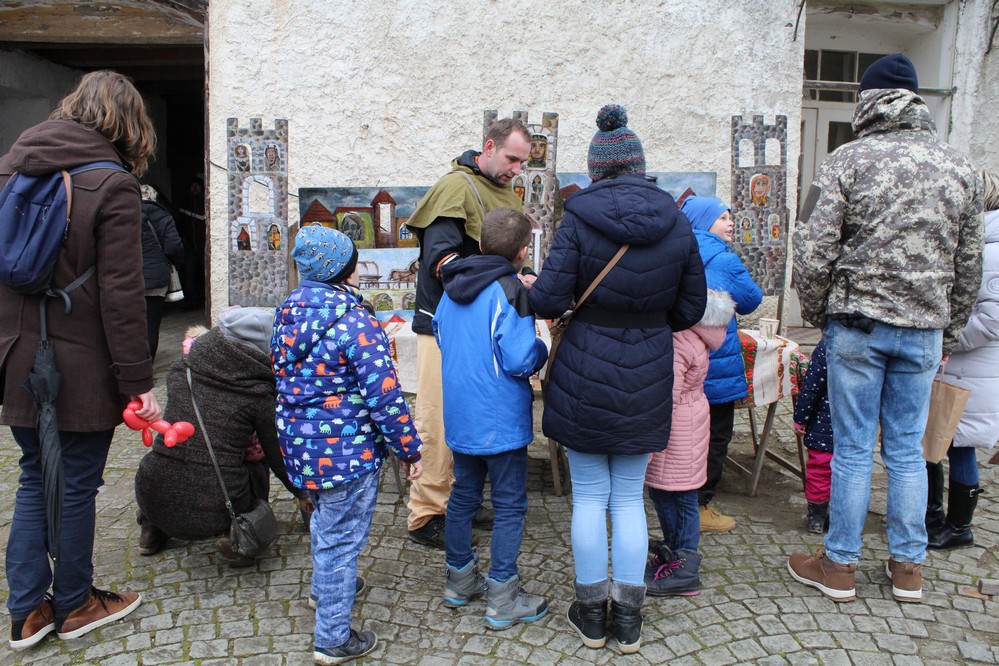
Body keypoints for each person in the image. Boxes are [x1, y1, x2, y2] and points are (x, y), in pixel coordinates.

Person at [789, 53, 983, 604]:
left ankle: (841, 564)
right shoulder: (959, 168)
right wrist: (948, 332)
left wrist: (820, 312)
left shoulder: (846, 160)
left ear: (867, 102)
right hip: (922, 330)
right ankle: (908, 568)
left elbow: (813, 248)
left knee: (852, 448)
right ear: (917, 100)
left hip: (858, 324)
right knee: (906, 449)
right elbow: (969, 266)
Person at [529, 104, 706, 653]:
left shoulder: (579, 218)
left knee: (589, 496)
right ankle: (628, 620)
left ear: (596, 168)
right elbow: (692, 306)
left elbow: (550, 298)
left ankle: (590, 613)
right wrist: (647, 324)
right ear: (640, 166)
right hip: (650, 364)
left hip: (586, 363)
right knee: (629, 497)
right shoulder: (676, 219)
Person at [0, 70, 160, 649]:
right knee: (74, 485)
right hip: (80, 369)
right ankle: (75, 605)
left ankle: (27, 613)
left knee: (32, 478)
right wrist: (137, 382)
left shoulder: (11, 168)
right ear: (130, 124)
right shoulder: (111, 185)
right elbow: (121, 296)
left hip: (19, 359)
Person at [273, 225, 423, 665]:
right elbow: (385, 395)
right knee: (341, 539)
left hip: (299, 444)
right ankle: (333, 638)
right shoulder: (355, 320)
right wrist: (410, 449)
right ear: (344, 268)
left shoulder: (286, 311)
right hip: (346, 451)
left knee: (325, 517)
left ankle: (324, 589)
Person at [402, 118, 532, 549]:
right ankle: (425, 513)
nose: (517, 169)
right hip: (447, 323)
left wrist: (523, 276)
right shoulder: (456, 187)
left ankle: (462, 499)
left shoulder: (504, 190)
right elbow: (440, 260)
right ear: (489, 147)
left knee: (471, 415)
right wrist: (501, 281)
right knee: (438, 419)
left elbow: (502, 256)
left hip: (481, 323)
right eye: (512, 158)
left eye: (523, 163)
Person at [433, 208, 549, 629]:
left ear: (479, 245)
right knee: (509, 504)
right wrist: (542, 349)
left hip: (462, 413)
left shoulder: (450, 287)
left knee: (463, 495)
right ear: (522, 253)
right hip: (499, 416)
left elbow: (444, 340)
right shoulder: (510, 290)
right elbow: (519, 358)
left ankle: (460, 579)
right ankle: (503, 594)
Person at [133, 307, 311, 565]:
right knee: (255, 454)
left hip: (150, 493)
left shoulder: (182, 369)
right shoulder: (257, 391)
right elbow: (277, 453)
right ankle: (241, 539)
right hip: (216, 508)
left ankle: (152, 530)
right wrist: (303, 494)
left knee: (172, 456)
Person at [680, 195, 763, 532]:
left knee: (682, 431)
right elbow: (752, 300)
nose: (730, 223)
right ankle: (700, 507)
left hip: (680, 357)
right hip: (716, 364)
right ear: (704, 222)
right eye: (723, 217)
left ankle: (674, 496)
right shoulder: (723, 259)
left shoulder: (675, 252)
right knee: (715, 435)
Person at [644, 289, 734, 597]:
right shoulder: (698, 333)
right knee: (677, 494)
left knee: (673, 496)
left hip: (675, 426)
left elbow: (665, 393)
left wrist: (650, 436)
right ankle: (676, 554)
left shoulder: (679, 338)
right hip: (691, 419)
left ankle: (684, 564)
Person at [926, 170, 999, 550]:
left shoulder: (992, 249)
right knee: (940, 438)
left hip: (972, 366)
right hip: (959, 363)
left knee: (959, 442)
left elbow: (991, 321)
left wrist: (945, 340)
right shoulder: (978, 242)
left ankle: (958, 527)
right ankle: (934, 516)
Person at [792, 338, 834, 534]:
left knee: (819, 471)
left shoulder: (829, 343)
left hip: (823, 427)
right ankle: (843, 516)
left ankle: (816, 517)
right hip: (856, 428)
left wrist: (800, 418)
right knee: (852, 471)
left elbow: (811, 387)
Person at [139, 184, 185, 360]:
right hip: (156, 276)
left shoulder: (124, 214)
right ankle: (147, 363)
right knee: (151, 323)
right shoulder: (163, 215)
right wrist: (177, 263)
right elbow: (174, 246)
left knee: (130, 322)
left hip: (128, 275)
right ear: (153, 197)